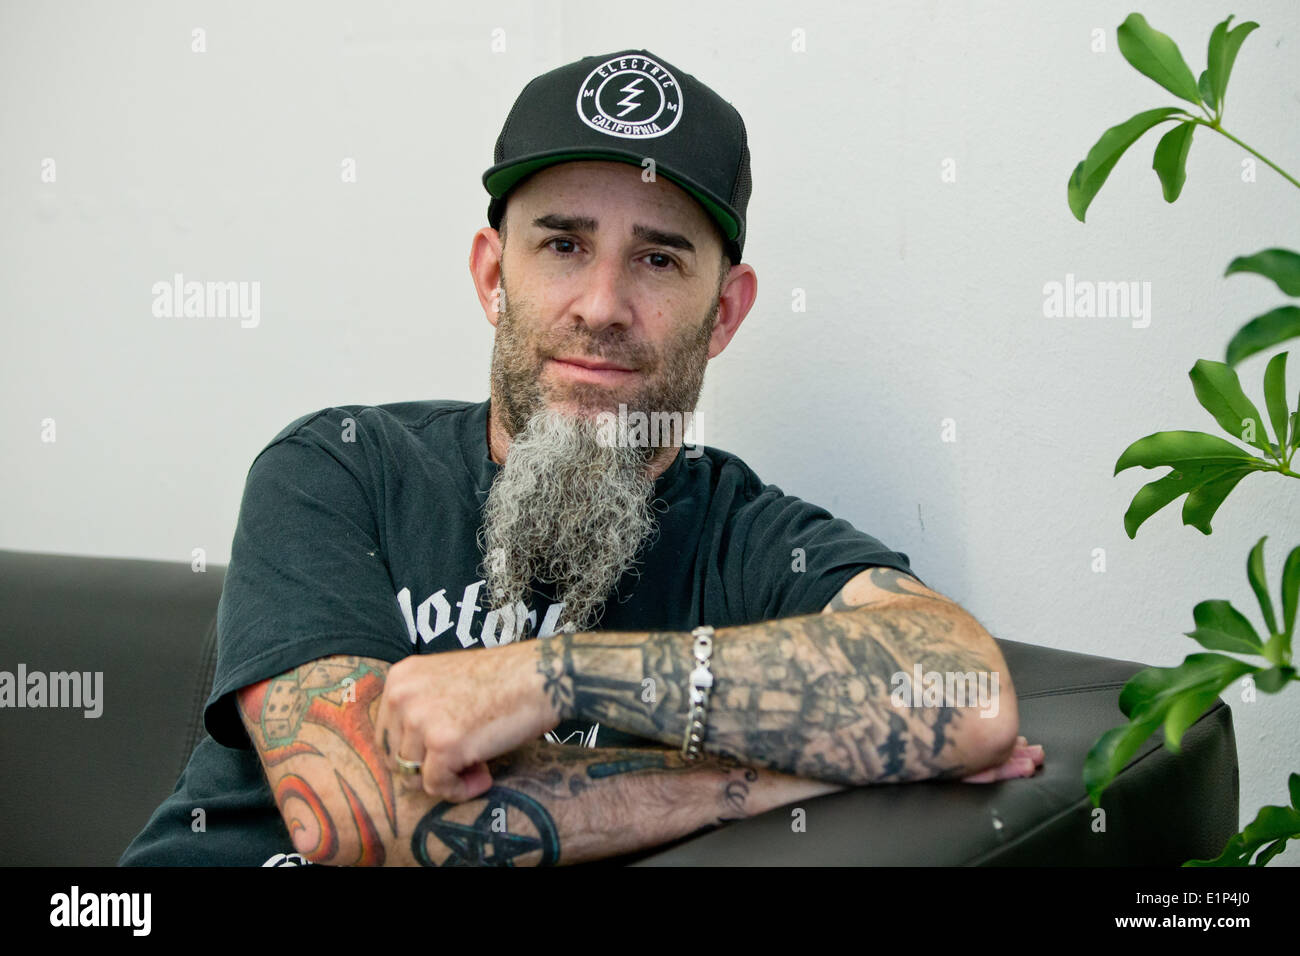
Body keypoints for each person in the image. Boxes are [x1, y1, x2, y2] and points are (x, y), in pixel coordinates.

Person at [121, 48, 1042, 868]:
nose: (601, 305)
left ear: (724, 313)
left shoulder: (752, 543)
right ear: (493, 275)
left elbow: (963, 696)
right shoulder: (342, 468)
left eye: (658, 260)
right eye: (563, 245)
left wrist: (544, 678)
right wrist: (761, 779)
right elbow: (354, 814)